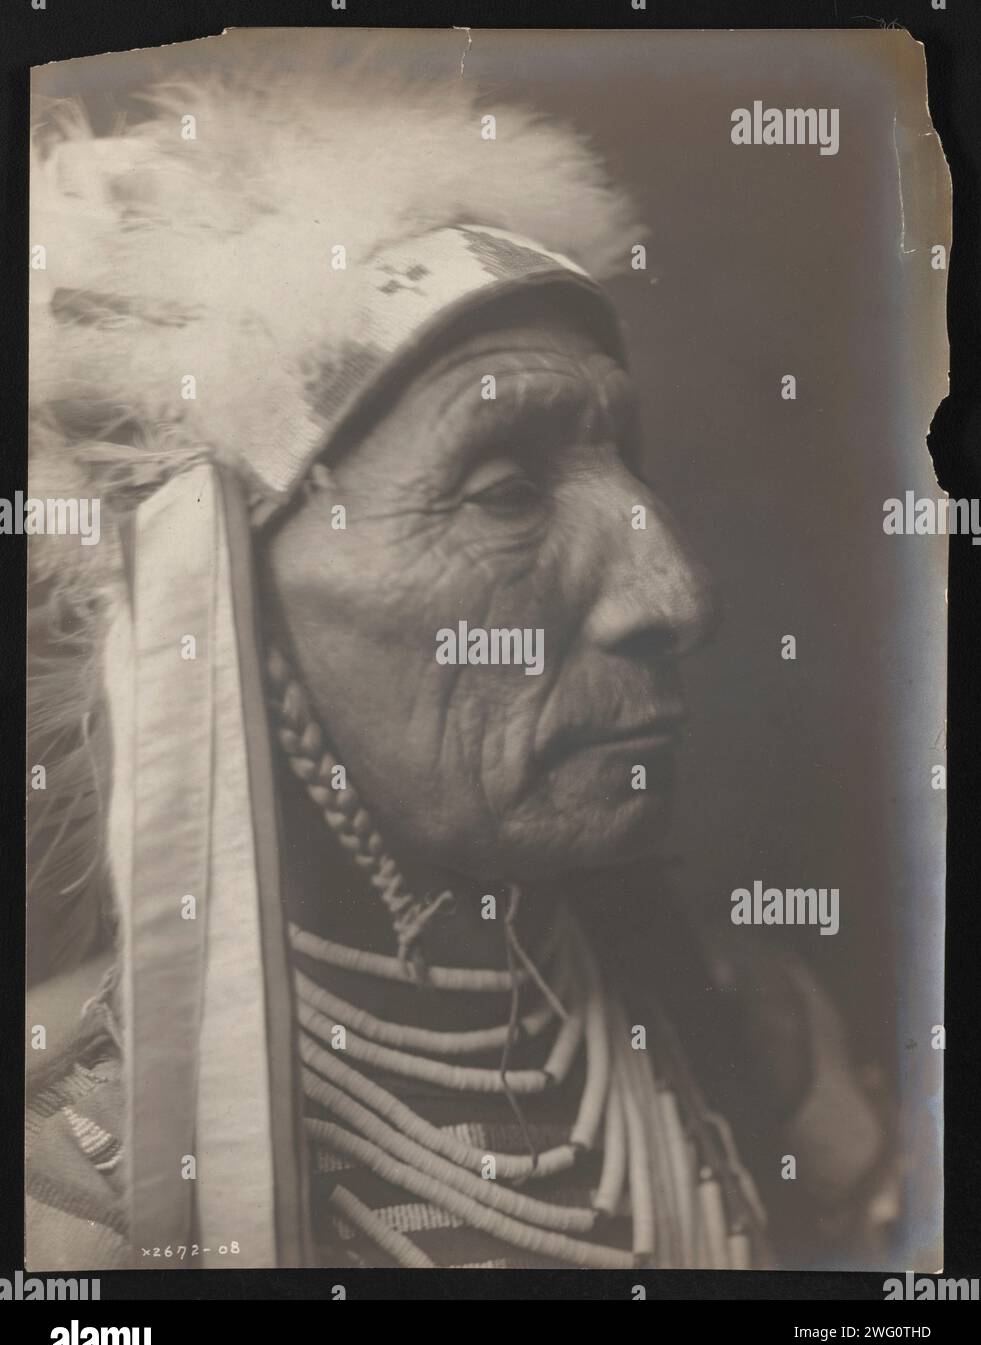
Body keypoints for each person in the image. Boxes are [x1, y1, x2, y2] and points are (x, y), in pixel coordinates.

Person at [25, 53, 890, 1271]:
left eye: (623, 460)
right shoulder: (76, 1209)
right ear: (221, 621)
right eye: (503, 490)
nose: (676, 595)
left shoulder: (755, 1034)